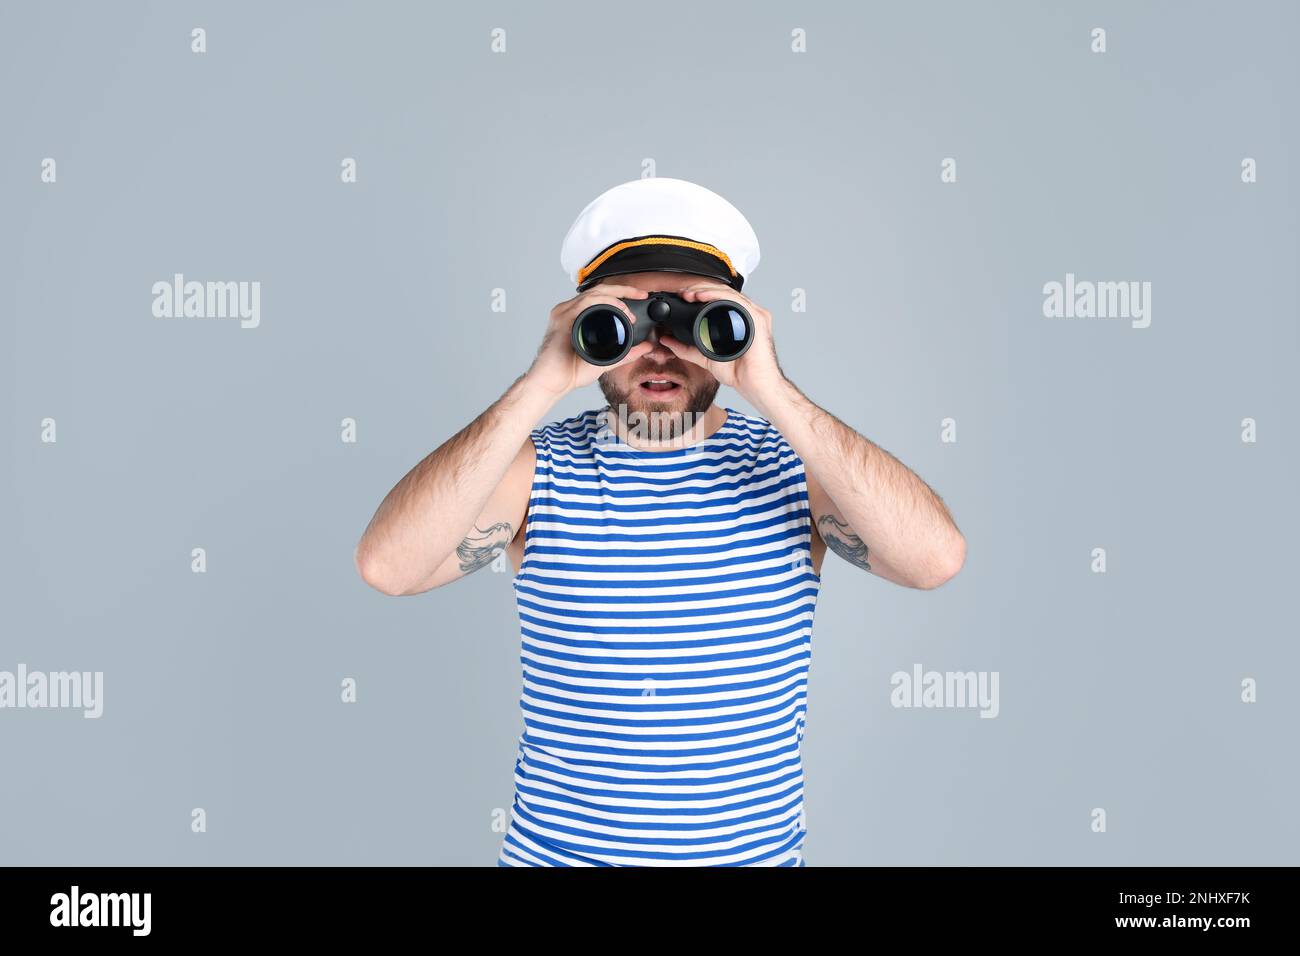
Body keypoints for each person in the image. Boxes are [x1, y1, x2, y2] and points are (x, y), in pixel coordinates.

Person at [354, 177, 966, 866]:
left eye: (688, 321)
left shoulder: (795, 468)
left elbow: (933, 561)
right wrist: (541, 383)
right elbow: (389, 568)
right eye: (630, 321)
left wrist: (770, 386)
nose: (660, 347)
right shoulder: (536, 472)